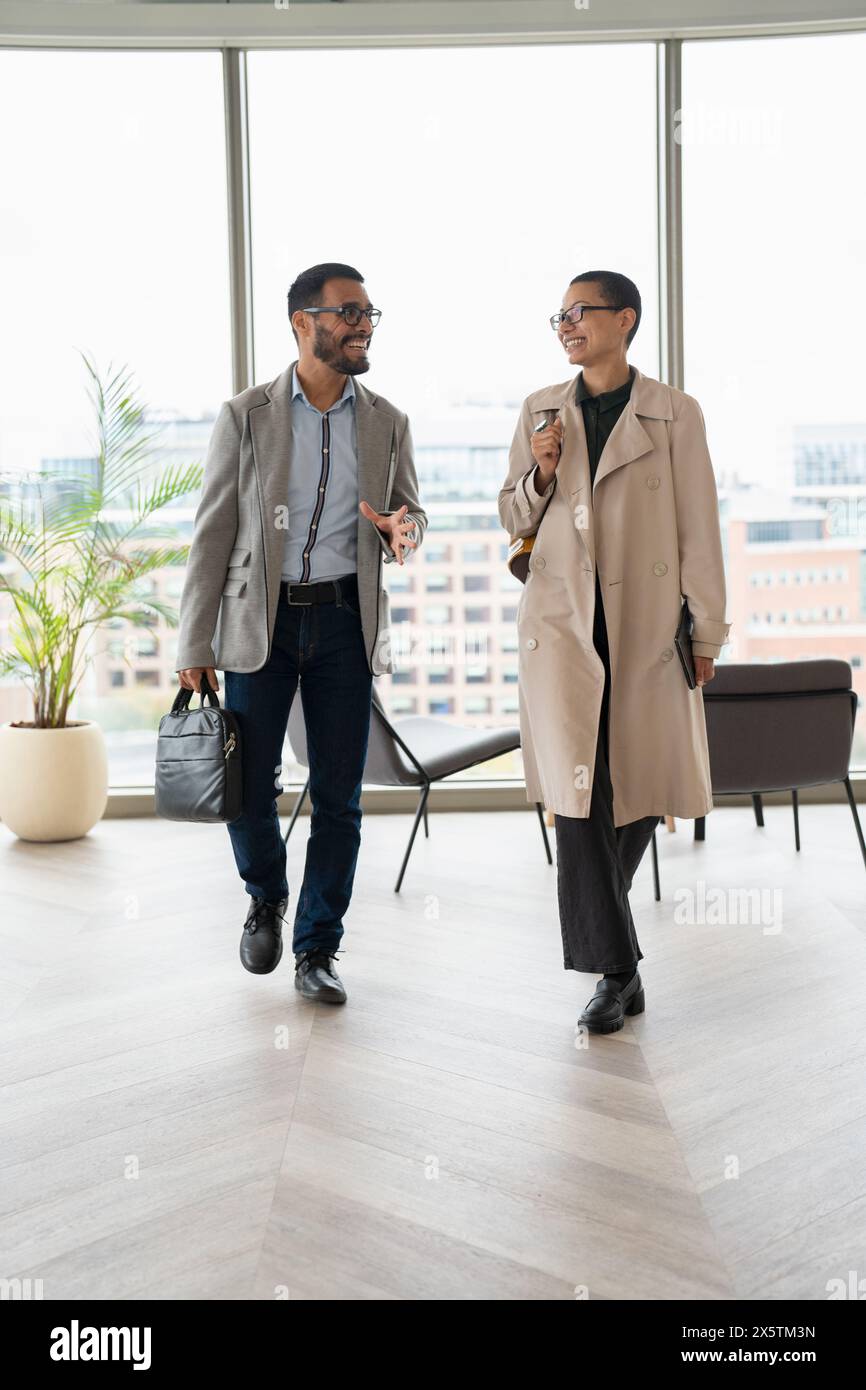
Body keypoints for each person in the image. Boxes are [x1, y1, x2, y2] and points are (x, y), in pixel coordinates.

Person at [175, 262, 427, 1004]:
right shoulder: (246, 415)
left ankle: (319, 948)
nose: (363, 325)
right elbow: (212, 531)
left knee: (340, 798)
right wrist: (194, 642)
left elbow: (412, 520)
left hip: (346, 622)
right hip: (262, 621)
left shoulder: (387, 422)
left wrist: (402, 528)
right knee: (249, 786)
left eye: (369, 312)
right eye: (349, 312)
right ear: (302, 322)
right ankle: (265, 896)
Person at [498, 270, 730, 1035]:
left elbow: (700, 526)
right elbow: (510, 513)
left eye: (579, 311)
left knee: (634, 788)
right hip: (564, 626)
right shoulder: (541, 410)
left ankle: (612, 966)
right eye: (558, 315)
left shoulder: (674, 414)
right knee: (579, 797)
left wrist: (707, 630)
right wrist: (540, 468)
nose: (565, 324)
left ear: (623, 319)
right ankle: (615, 972)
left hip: (646, 624)